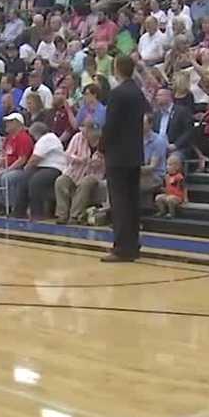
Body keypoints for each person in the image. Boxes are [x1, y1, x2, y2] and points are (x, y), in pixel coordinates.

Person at [101, 55, 149, 262]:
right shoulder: (138, 92)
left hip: (118, 155)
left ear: (117, 69)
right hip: (134, 153)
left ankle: (121, 247)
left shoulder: (117, 93)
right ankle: (133, 245)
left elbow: (111, 124)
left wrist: (101, 147)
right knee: (132, 201)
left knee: (119, 202)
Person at [54, 121, 104, 225]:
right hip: (75, 172)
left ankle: (75, 216)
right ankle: (62, 215)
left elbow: (109, 160)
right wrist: (79, 159)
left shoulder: (104, 141)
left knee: (85, 183)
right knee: (60, 181)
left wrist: (100, 163)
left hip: (94, 174)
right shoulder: (77, 137)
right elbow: (68, 155)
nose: (87, 134)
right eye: (86, 131)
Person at [0, 113, 34, 215]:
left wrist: (7, 169)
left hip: (21, 170)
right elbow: (3, 155)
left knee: (7, 177)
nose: (7, 124)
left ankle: (12, 207)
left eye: (10, 122)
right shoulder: (9, 138)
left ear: (18, 124)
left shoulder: (24, 138)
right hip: (8, 167)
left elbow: (22, 159)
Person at [22, 122, 67, 221]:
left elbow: (35, 158)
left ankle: (38, 214)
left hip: (55, 168)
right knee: (24, 178)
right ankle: (19, 211)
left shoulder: (46, 139)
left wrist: (26, 167)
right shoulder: (48, 138)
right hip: (43, 167)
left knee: (35, 182)